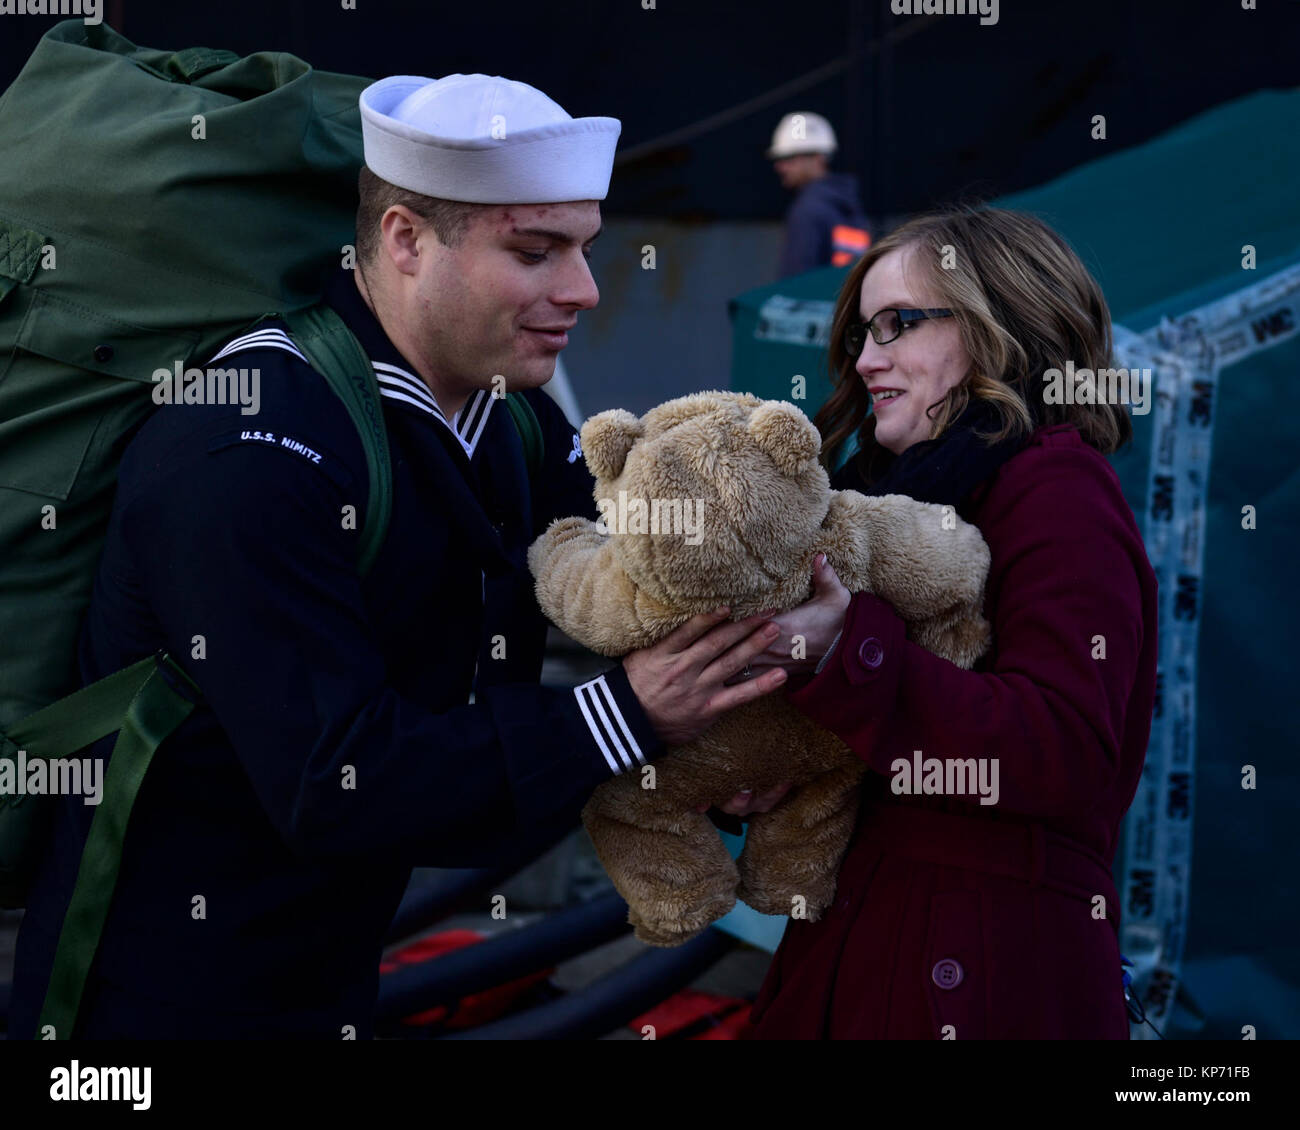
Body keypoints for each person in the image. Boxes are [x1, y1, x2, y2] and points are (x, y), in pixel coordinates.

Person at [8, 73, 789, 1040]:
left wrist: (772, 655)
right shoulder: (244, 452)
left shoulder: (504, 417)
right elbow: (337, 781)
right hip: (152, 1002)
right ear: (406, 240)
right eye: (535, 251)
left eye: (585, 248)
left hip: (327, 970)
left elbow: (635, 557)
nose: (585, 289)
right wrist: (627, 717)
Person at [738, 205, 1159, 1039]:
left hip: (982, 976)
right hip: (864, 951)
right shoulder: (886, 502)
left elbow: (1065, 746)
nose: (865, 360)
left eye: (897, 324)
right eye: (862, 333)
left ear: (1000, 323)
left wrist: (846, 648)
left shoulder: (1058, 491)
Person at [768, 111, 871, 279]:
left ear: (818, 158)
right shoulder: (849, 205)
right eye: (779, 159)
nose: (780, 167)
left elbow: (796, 285)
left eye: (790, 158)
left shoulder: (809, 209)